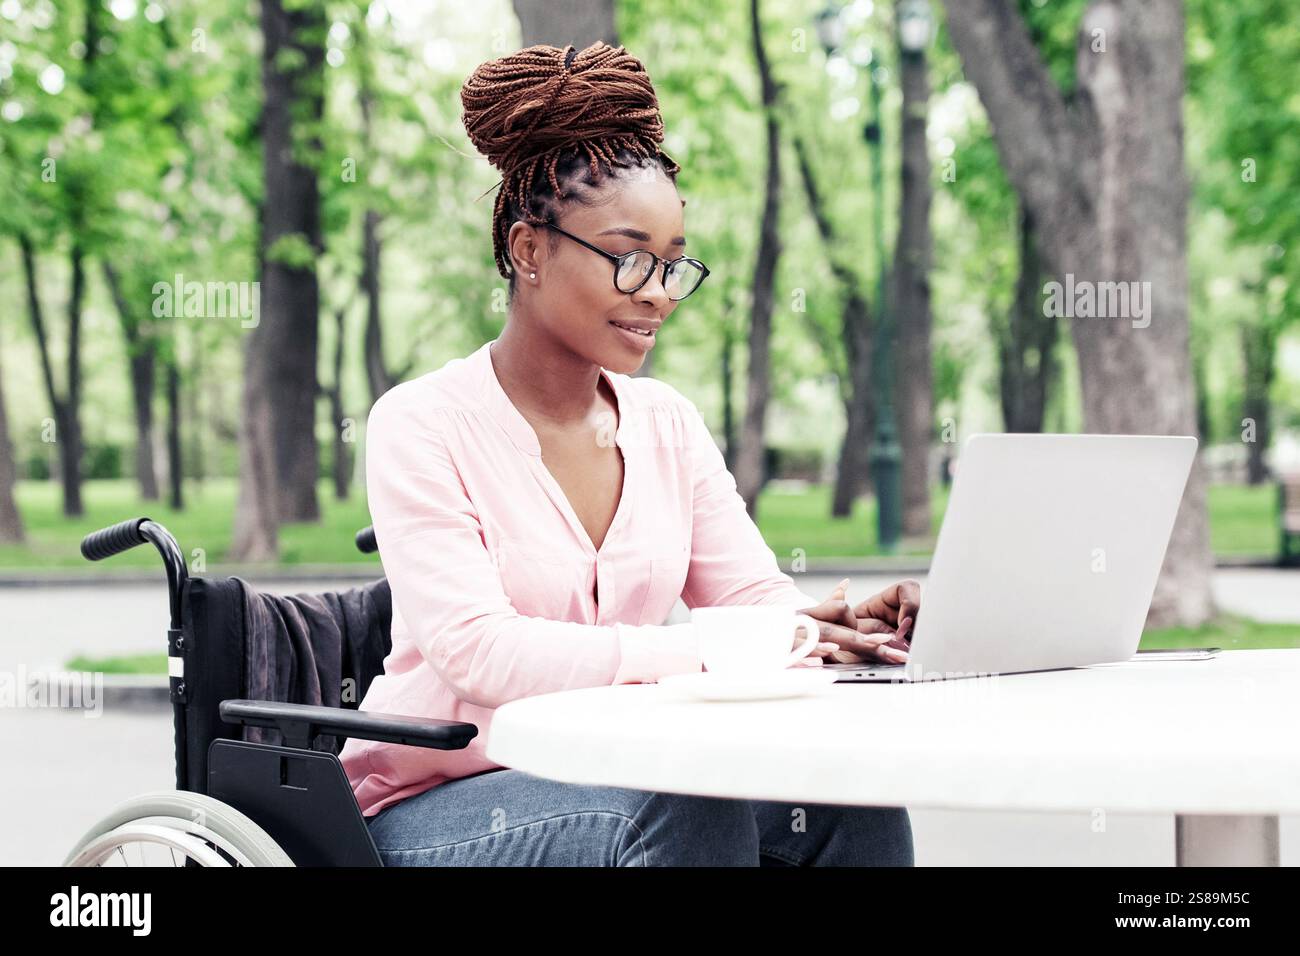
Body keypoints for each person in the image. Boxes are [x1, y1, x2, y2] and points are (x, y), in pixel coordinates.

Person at [341, 40, 920, 866]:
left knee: (844, 799)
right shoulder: (423, 422)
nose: (657, 290)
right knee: (680, 803)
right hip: (440, 801)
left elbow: (751, 596)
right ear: (530, 250)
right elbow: (481, 651)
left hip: (619, 770)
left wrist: (830, 626)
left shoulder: (666, 423)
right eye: (630, 258)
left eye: (675, 264)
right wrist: (706, 652)